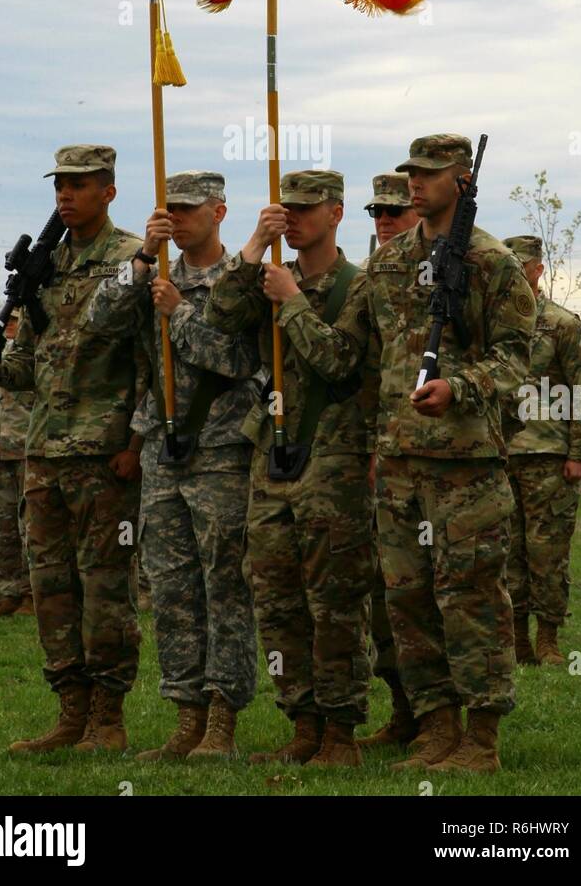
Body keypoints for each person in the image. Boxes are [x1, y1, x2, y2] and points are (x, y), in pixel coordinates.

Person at [0, 145, 150, 753]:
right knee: (51, 588)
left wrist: (136, 439)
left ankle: (109, 717)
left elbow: (152, 360)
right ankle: (70, 712)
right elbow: (30, 364)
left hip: (103, 454)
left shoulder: (131, 259)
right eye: (60, 186)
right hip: (44, 453)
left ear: (109, 192)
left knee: (104, 589)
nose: (65, 195)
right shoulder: (45, 265)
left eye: (79, 185)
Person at [368, 134, 536, 774]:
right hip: (399, 462)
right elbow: (369, 349)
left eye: (431, 173)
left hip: (466, 466)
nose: (416, 183)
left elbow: (518, 359)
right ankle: (436, 728)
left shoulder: (492, 262)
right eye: (412, 171)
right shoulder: (392, 261)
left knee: (469, 599)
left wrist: (460, 386)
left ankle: (482, 738)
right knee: (406, 600)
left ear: (462, 180)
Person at [88, 170, 261, 761]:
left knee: (224, 584)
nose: (180, 219)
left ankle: (222, 721)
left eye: (190, 210)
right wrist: (142, 258)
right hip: (163, 450)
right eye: (172, 210)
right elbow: (99, 318)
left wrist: (182, 313)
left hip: (221, 450)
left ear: (219, 212)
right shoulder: (155, 274)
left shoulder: (245, 279)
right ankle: (186, 714)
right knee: (171, 590)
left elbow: (240, 362)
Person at [206, 169, 375, 768]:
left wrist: (295, 304)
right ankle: (301, 721)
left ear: (336, 213)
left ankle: (340, 733)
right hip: (271, 460)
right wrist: (252, 248)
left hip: (333, 461)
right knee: (276, 600)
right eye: (288, 210)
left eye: (308, 209)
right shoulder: (271, 275)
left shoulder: (359, 285)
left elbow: (340, 361)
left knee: (333, 602)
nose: (296, 219)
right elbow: (219, 315)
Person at [502, 235, 581, 666]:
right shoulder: (495, 323)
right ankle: (517, 640)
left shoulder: (562, 324)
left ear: (537, 270)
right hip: (500, 456)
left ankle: (548, 639)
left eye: (519, 266)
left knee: (548, 553)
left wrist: (579, 452)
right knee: (507, 552)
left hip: (549, 457)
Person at [357, 172, 420, 750]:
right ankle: (405, 712)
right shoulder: (374, 277)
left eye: (394, 212)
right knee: (387, 595)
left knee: (443, 594)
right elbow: (365, 370)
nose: (384, 220)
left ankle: (448, 720)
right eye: (377, 210)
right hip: (383, 457)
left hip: (448, 464)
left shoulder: (465, 268)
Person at [0, 310, 34, 616]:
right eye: (10, 320)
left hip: (28, 449)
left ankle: (32, 593)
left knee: (30, 527)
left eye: (18, 320)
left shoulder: (31, 358)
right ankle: (9, 591)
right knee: (4, 526)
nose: (12, 325)